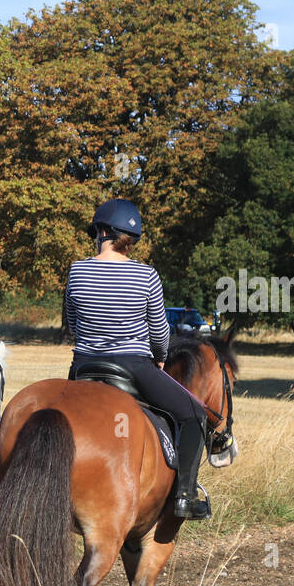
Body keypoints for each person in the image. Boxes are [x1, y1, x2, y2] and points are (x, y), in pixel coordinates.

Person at [63, 198, 210, 519]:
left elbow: (72, 324)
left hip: (83, 366)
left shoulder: (76, 270)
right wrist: (159, 358)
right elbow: (160, 332)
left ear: (101, 232)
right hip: (133, 366)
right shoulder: (146, 276)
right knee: (195, 414)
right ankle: (184, 496)